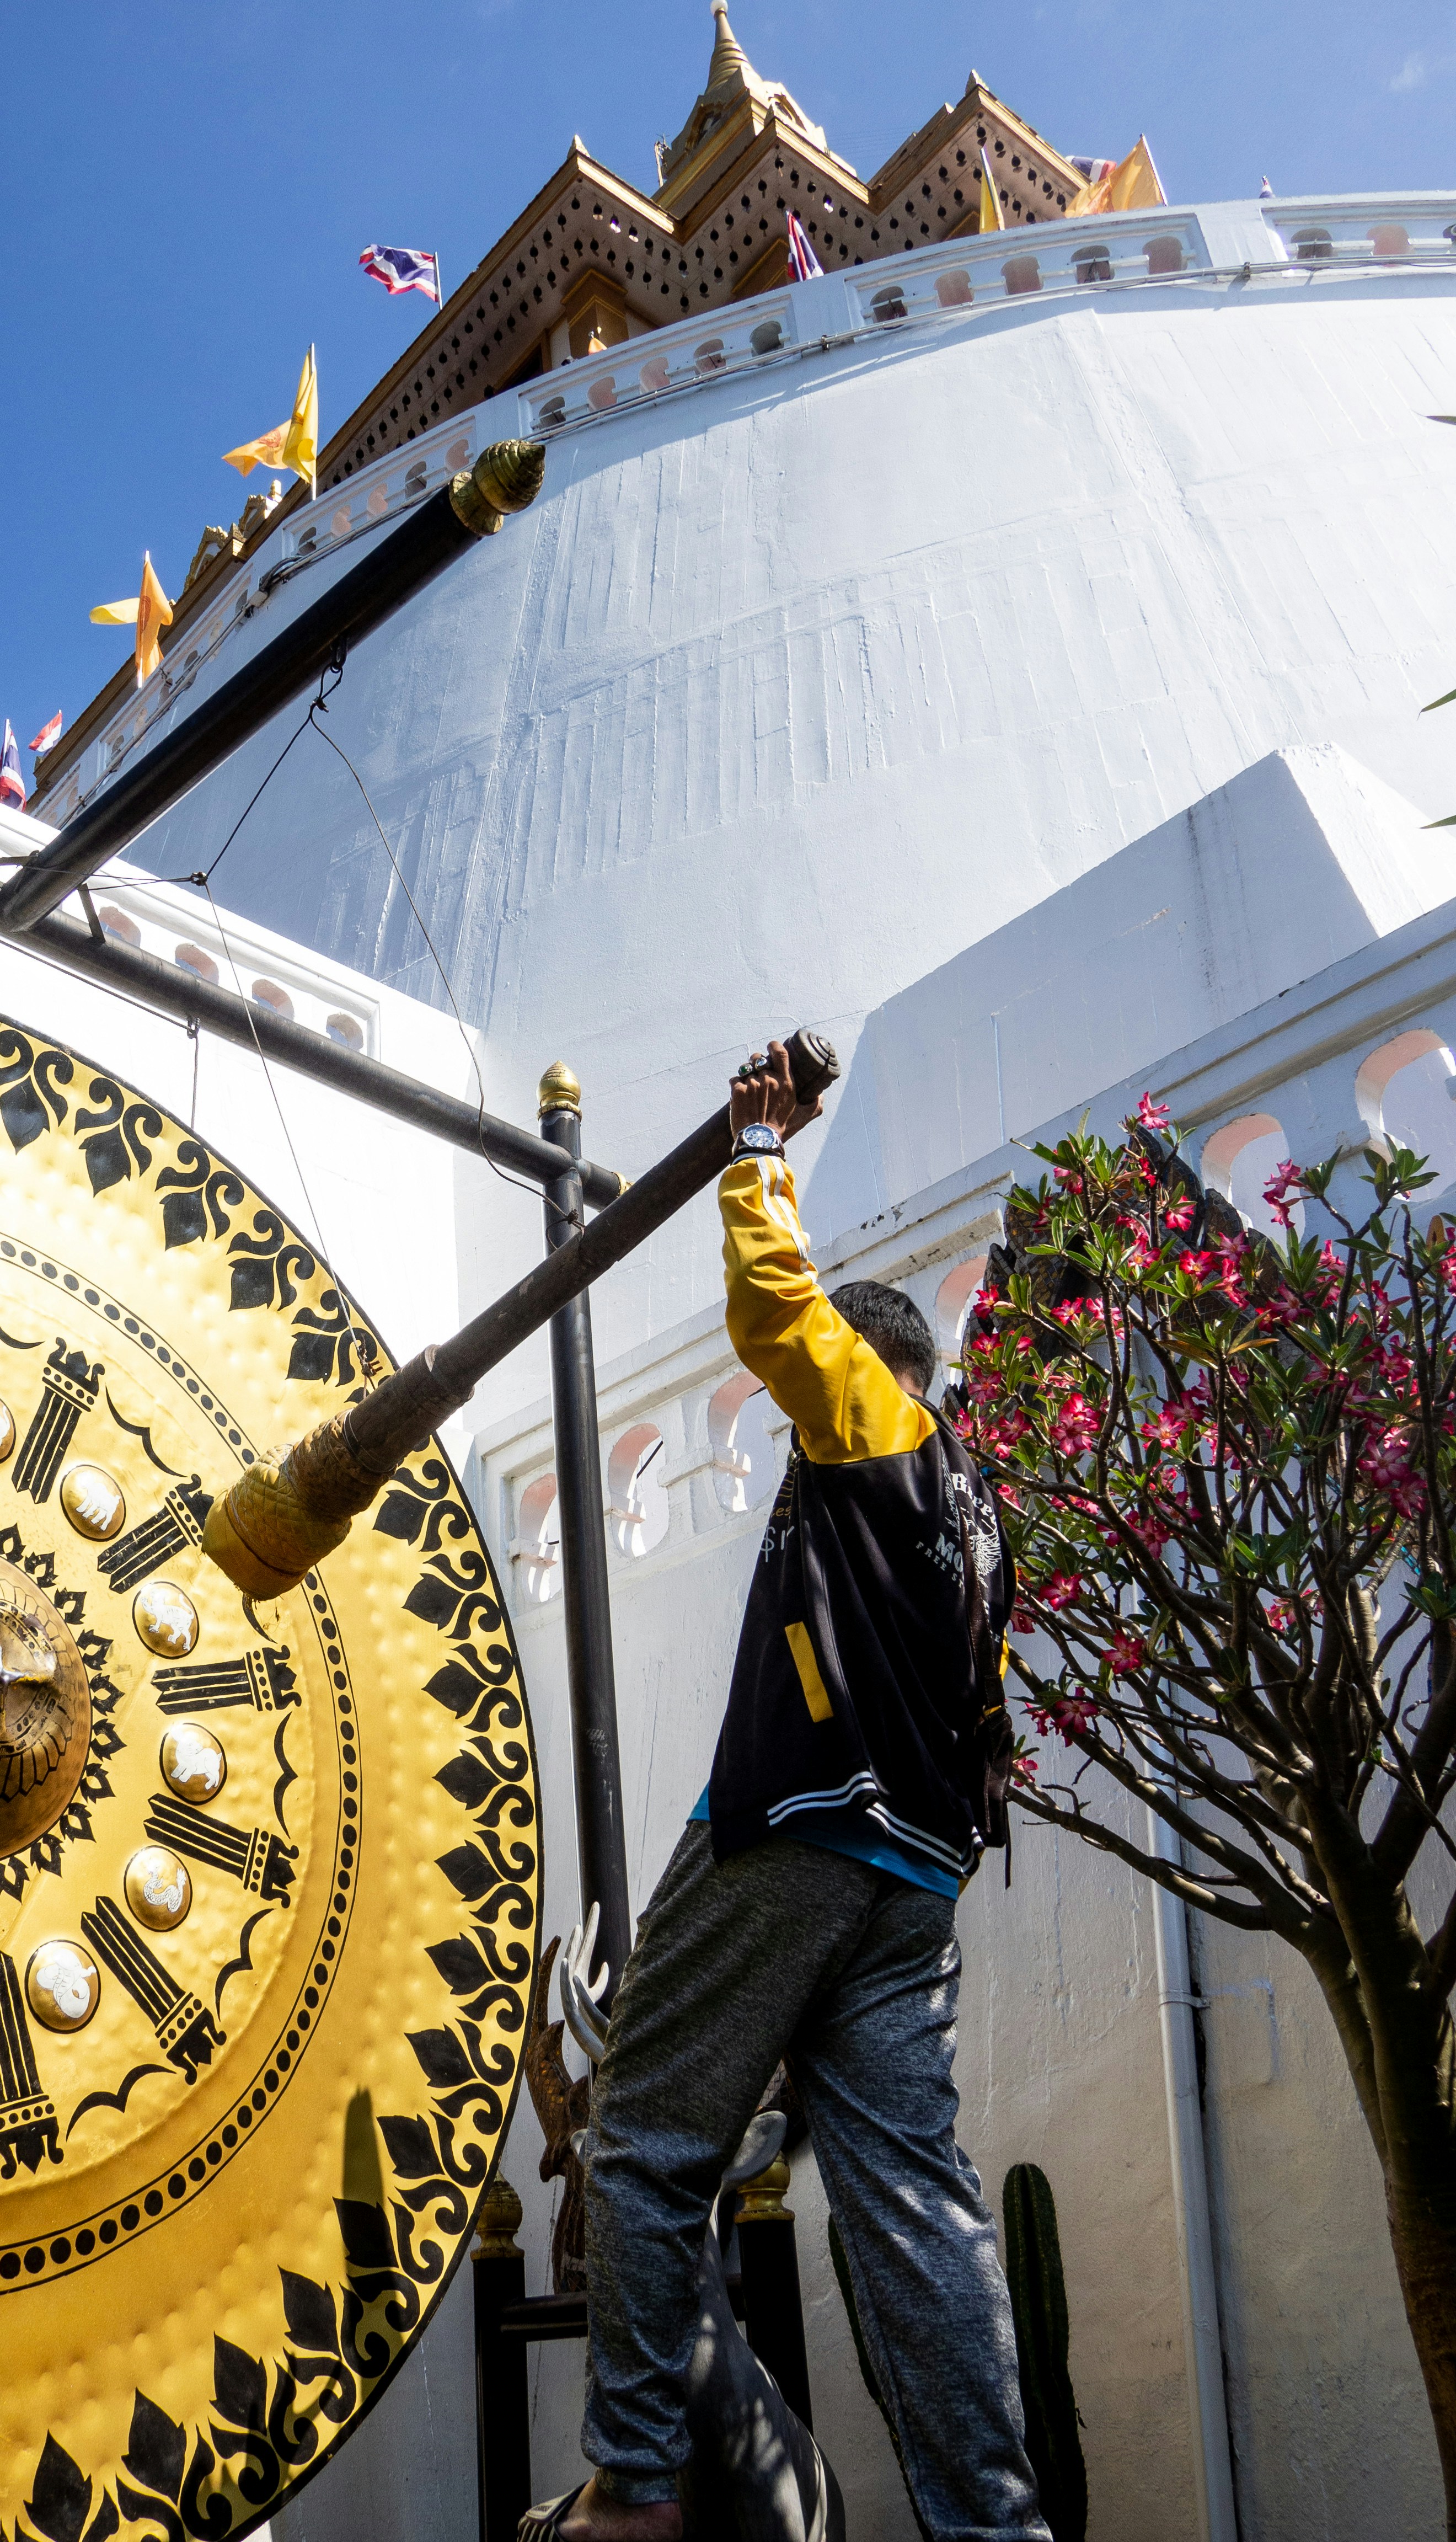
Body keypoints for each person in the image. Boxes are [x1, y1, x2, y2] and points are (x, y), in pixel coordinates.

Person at [522, 1040, 1048, 2542]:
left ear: (878, 1377)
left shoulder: (877, 1425)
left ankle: (634, 2487)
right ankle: (994, 2528)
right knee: (915, 2217)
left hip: (805, 1829)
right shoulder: (978, 1511)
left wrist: (758, 1147)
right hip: (916, 1889)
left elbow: (775, 1312)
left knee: (635, 2137)